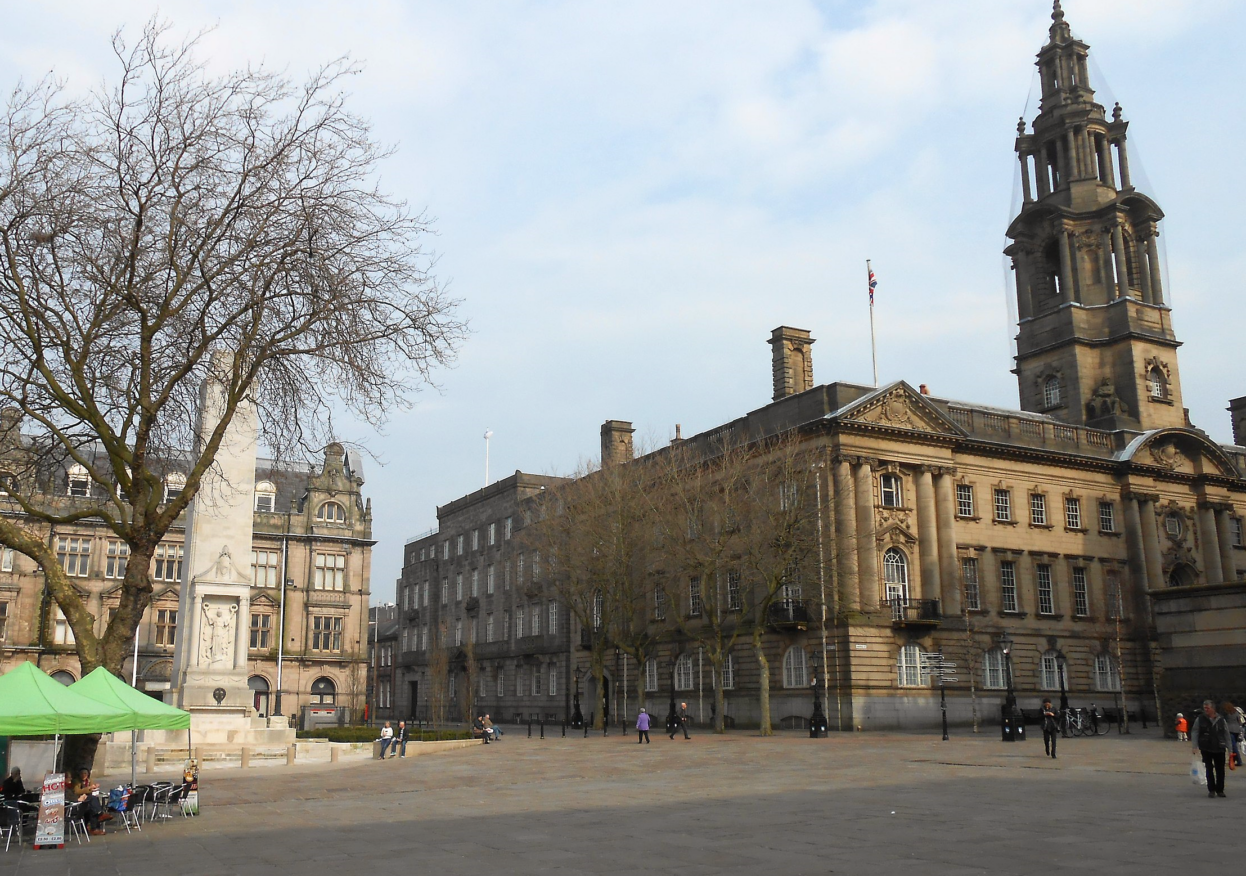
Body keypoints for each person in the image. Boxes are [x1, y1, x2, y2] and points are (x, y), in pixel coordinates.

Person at [1191, 699, 1231, 798]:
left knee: (1220, 770)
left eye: (1207, 708)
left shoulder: (1221, 719)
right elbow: (1195, 732)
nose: (1206, 710)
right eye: (1205, 708)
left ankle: (1220, 790)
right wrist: (1194, 746)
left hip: (1219, 747)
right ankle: (1211, 789)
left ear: (1213, 708)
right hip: (1206, 747)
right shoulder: (1200, 719)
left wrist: (1230, 749)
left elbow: (1226, 734)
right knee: (1209, 769)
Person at [69, 768, 110, 835]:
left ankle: (95, 827)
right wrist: (89, 788)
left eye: (85, 773)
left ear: (88, 774)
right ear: (79, 774)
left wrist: (95, 787)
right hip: (79, 804)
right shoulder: (76, 782)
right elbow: (77, 791)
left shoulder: (89, 781)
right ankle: (97, 822)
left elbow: (92, 789)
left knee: (93, 805)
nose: (83, 775)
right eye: (82, 773)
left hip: (88, 802)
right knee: (93, 802)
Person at [1223, 702, 1244, 767]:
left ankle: (1239, 761)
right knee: (1234, 745)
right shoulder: (1236, 712)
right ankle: (1233, 760)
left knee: (1233, 746)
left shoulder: (1226, 714)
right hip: (1237, 730)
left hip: (1230, 730)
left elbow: (1224, 721)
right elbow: (1239, 720)